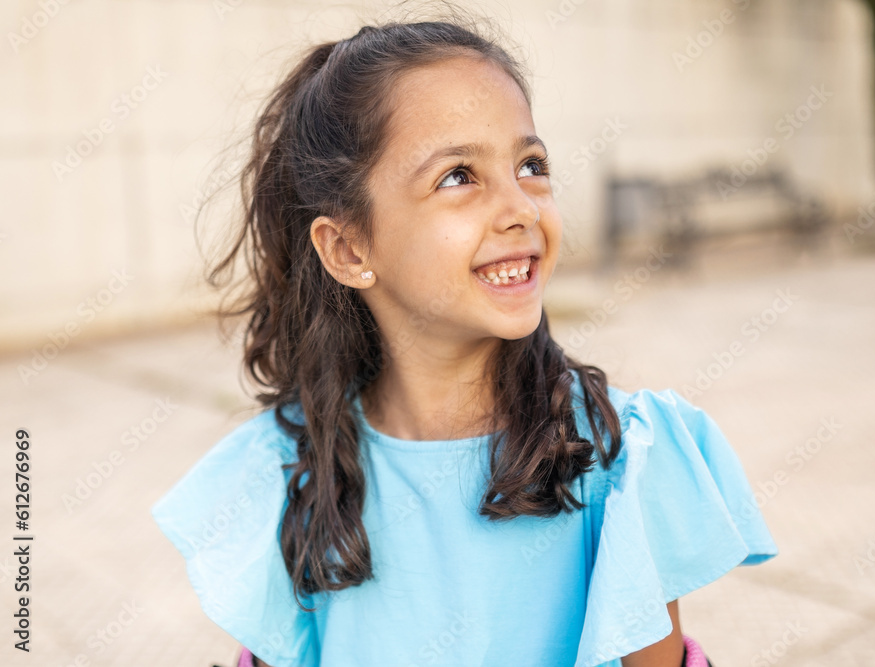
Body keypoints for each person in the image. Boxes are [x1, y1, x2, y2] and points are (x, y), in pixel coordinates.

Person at [151, 16, 778, 667]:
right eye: (459, 176)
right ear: (348, 247)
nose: (521, 208)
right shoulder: (289, 472)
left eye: (531, 165)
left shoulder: (616, 456)